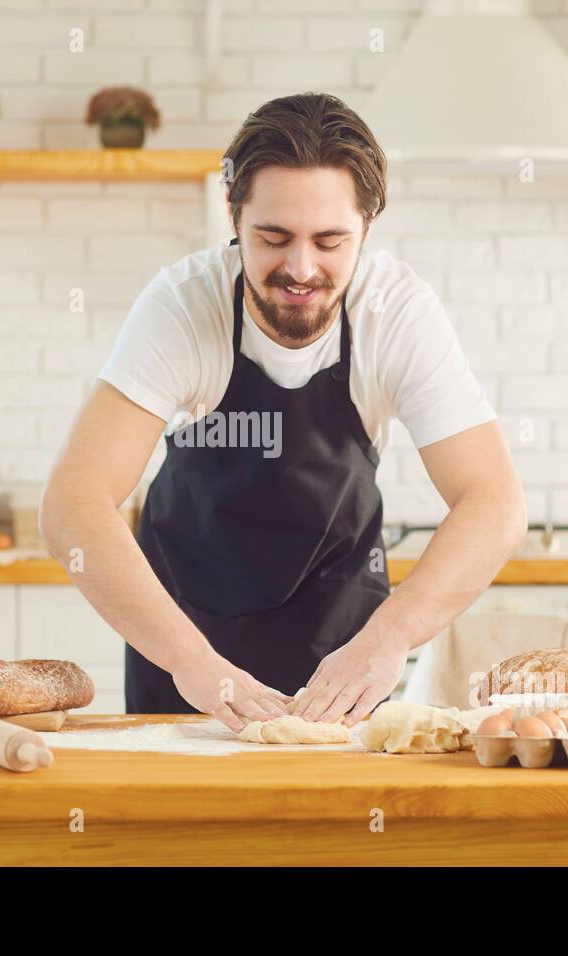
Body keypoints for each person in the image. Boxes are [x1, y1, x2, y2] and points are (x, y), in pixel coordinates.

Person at [40, 92, 526, 732]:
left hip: (346, 654)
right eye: (273, 238)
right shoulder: (184, 307)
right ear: (234, 217)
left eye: (330, 241)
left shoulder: (396, 314)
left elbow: (493, 501)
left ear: (368, 228)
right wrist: (191, 662)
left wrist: (389, 639)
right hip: (186, 651)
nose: (301, 269)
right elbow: (74, 504)